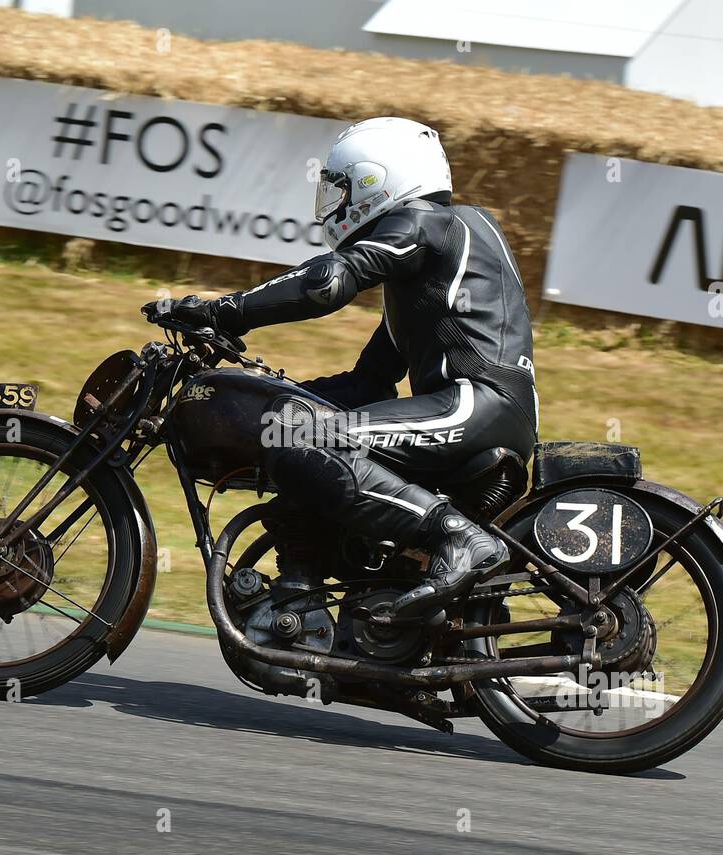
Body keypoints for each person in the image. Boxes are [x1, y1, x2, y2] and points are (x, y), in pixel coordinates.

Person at [143, 116, 538, 620]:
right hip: (476, 409)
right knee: (293, 426)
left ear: (377, 178)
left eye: (342, 187)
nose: (335, 201)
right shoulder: (424, 284)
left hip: (475, 404)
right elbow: (368, 381)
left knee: (298, 438)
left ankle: (455, 537)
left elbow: (327, 283)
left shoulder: (431, 223)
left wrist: (225, 311)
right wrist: (269, 392)